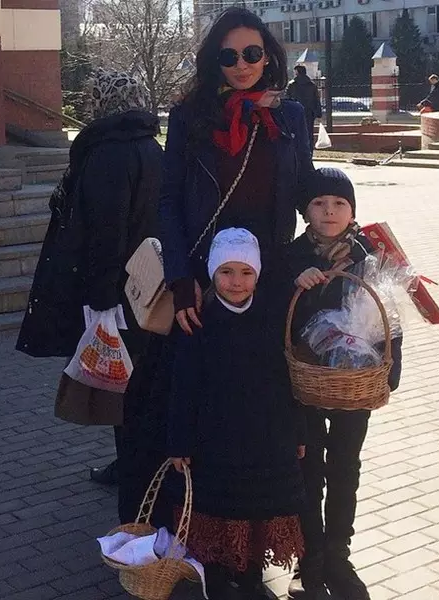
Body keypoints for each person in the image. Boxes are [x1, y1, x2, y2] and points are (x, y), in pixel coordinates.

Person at [16, 69, 164, 487]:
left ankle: (136, 472)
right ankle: (136, 465)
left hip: (116, 290)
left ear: (100, 101)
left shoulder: (107, 153)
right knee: (137, 383)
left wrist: (100, 299)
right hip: (146, 285)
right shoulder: (151, 148)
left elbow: (106, 230)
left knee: (125, 386)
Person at [283, 168, 403, 600]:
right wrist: (296, 284)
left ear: (352, 209)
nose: (329, 211)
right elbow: (280, 319)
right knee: (308, 469)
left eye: (339, 203)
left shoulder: (371, 253)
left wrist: (389, 372)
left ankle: (339, 556)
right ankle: (308, 559)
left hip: (356, 381)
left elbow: (390, 314)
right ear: (305, 211)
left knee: (345, 468)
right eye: (319, 203)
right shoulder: (291, 257)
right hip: (307, 383)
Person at [159, 6, 314, 338]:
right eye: (229, 56)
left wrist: (341, 225)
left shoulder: (290, 116)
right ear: (217, 62)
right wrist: (181, 278)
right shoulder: (189, 117)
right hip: (205, 276)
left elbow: (305, 189)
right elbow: (167, 199)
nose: (241, 65)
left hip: (269, 270)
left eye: (251, 53)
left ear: (268, 57)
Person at [168, 228, 306, 600]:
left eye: (246, 273)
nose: (236, 282)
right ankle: (215, 579)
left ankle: (250, 580)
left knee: (257, 511)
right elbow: (183, 388)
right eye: (226, 272)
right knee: (217, 512)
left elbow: (285, 380)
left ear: (257, 275)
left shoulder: (272, 316)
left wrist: (297, 433)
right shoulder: (197, 322)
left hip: (265, 436)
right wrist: (179, 441)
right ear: (212, 274)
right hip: (215, 438)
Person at [286, 65, 322, 155]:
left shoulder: (292, 84)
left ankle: (297, 153)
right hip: (309, 113)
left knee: (295, 133)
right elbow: (316, 100)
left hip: (294, 113)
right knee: (309, 134)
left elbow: (287, 98)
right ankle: (309, 153)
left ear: (297, 72)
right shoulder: (312, 85)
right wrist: (318, 113)